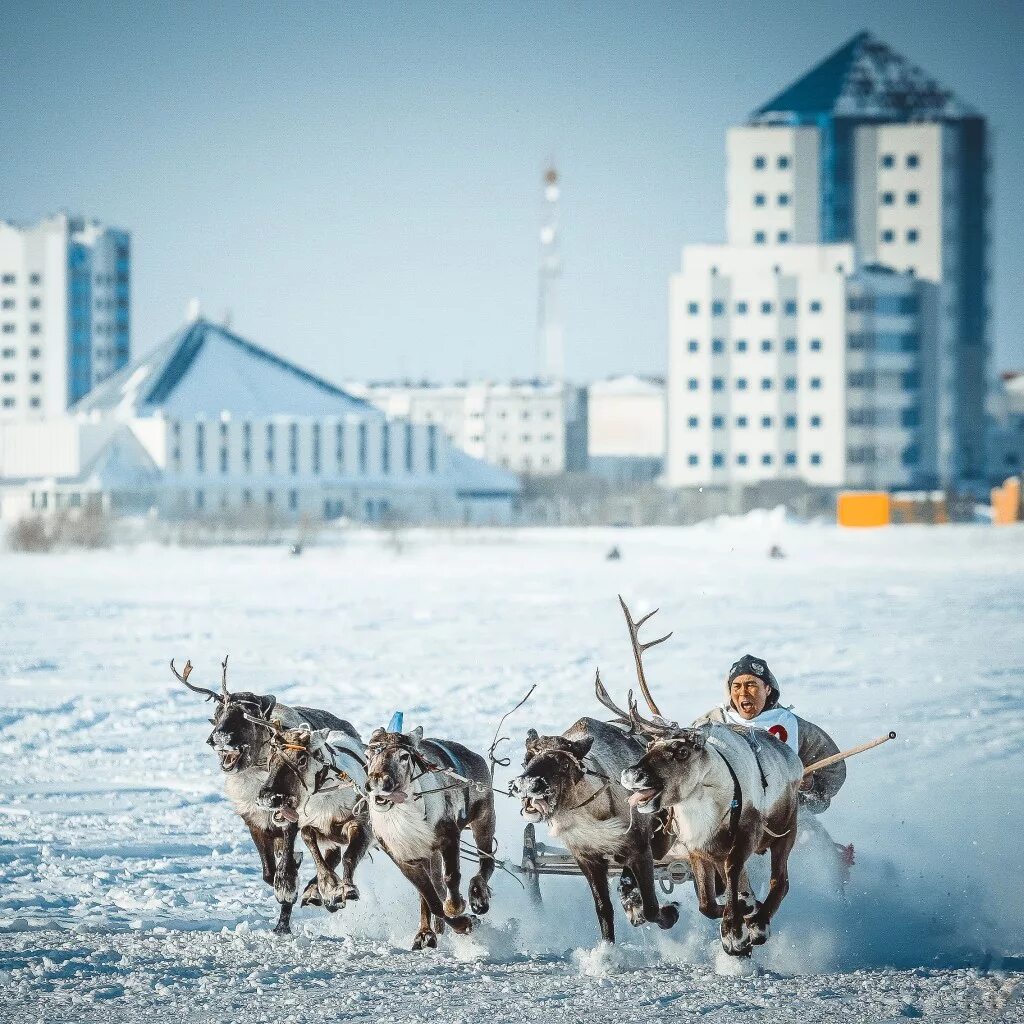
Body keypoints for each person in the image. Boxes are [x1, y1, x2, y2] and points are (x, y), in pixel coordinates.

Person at [693, 654, 846, 813]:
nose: (743, 693)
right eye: (736, 686)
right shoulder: (712, 723)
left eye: (751, 685)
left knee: (809, 828)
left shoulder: (796, 728)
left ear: (768, 689)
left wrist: (808, 786)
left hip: (783, 817)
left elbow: (826, 790)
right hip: (723, 816)